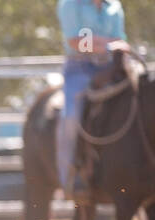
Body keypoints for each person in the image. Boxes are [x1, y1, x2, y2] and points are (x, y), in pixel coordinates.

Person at [56, 0, 129, 199]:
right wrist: (108, 44)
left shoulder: (113, 6)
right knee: (71, 117)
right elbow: (75, 42)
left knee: (142, 96)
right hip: (79, 69)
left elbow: (121, 41)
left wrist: (98, 42)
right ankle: (69, 175)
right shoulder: (70, 4)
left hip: (110, 67)